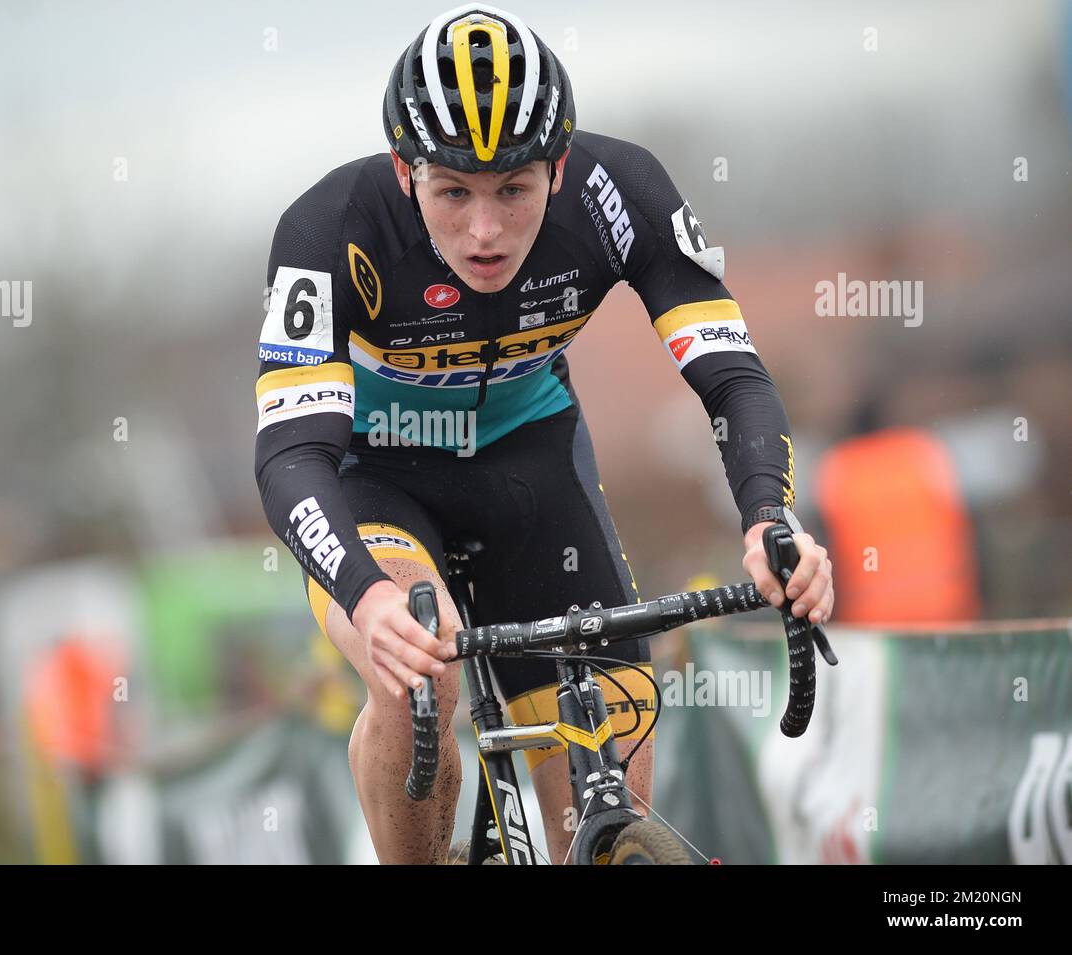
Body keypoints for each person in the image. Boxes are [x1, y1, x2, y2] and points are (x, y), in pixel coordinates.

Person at [253, 3, 834, 864]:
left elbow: (733, 377)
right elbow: (291, 456)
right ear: (403, 169)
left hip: (531, 466)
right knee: (421, 665)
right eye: (453, 192)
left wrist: (768, 517)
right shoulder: (328, 229)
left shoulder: (619, 193)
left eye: (513, 190)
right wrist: (368, 596)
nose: (484, 232)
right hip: (373, 479)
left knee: (614, 747)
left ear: (558, 169)